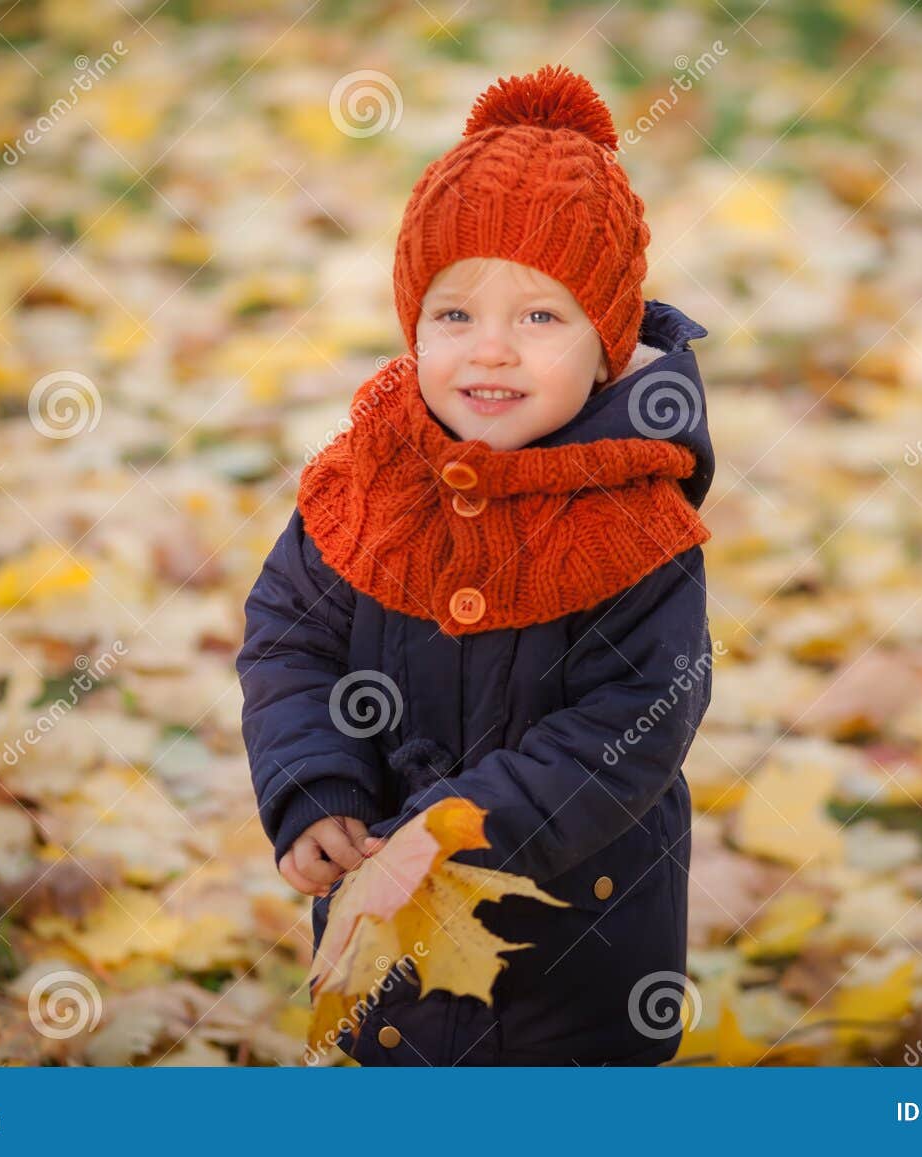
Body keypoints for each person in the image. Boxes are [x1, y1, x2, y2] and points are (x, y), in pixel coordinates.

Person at [237, 63, 715, 1066]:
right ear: (413, 328)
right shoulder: (369, 478)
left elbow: (628, 723)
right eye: (455, 314)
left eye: (539, 316)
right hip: (382, 947)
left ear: (607, 347)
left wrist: (455, 833)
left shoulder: (635, 518)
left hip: (576, 958)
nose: (489, 349)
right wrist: (314, 787)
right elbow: (290, 641)